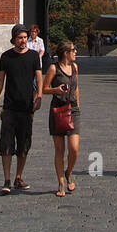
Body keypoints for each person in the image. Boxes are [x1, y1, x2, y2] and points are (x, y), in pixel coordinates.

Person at [0, 24, 43, 194]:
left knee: (24, 144)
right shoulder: (6, 57)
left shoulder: (33, 56)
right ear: (14, 39)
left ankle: (18, 177)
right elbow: (0, 81)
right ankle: (6, 179)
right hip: (9, 107)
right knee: (6, 144)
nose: (23, 40)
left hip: (27, 107)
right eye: (20, 38)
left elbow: (39, 78)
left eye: (25, 37)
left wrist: (39, 97)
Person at [41, 40, 81, 197]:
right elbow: (44, 89)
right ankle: (61, 183)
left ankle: (69, 171)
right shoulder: (53, 68)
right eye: (73, 49)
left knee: (74, 148)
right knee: (59, 150)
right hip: (58, 110)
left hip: (73, 110)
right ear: (66, 53)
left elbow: (76, 88)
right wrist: (55, 90)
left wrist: (78, 105)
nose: (75, 52)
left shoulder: (75, 67)